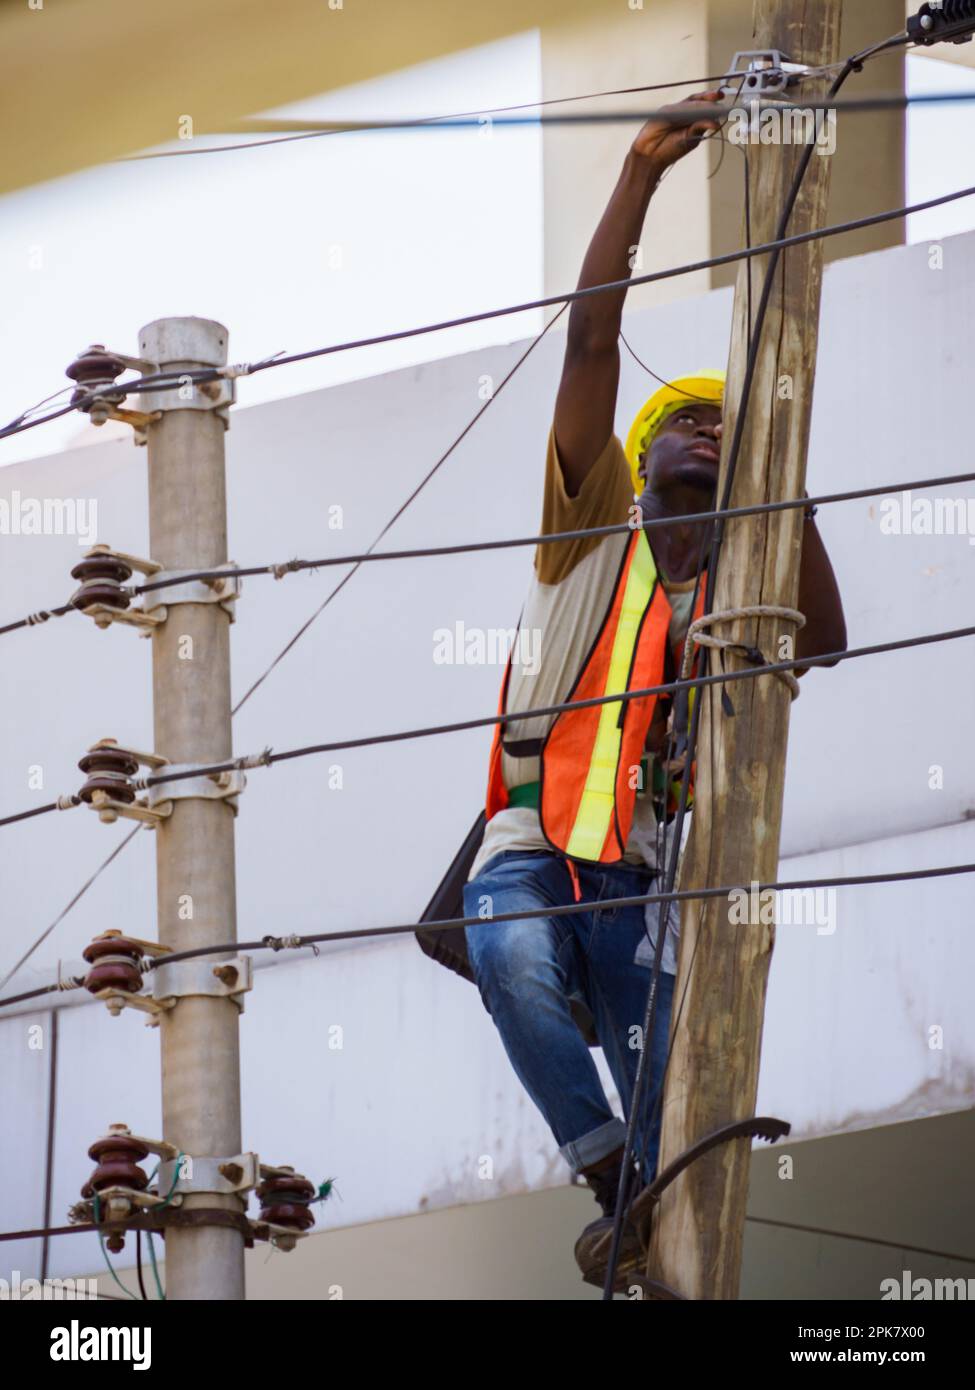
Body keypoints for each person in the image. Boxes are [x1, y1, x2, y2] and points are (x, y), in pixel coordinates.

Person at [461, 90, 847, 1287]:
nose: (702, 434)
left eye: (725, 432)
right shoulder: (586, 536)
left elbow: (824, 641)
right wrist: (637, 178)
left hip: (641, 873)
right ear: (638, 464)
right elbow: (588, 344)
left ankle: (647, 1215)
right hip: (534, 844)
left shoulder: (732, 608)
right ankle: (610, 1181)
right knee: (513, 959)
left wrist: (784, 497)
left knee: (674, 1086)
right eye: (683, 423)